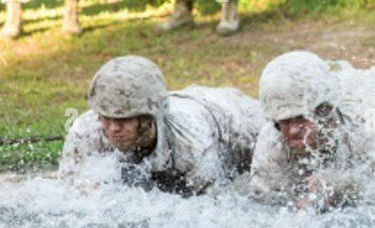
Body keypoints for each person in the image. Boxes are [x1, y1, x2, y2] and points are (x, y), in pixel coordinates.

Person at [60, 55, 263, 196]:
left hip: (237, 121)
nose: (113, 128)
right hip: (189, 108)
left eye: (123, 120)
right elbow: (67, 192)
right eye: (106, 118)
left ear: (148, 119)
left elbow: (215, 209)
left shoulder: (193, 145)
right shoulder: (85, 131)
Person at [249, 51, 368, 209]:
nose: (292, 131)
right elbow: (264, 205)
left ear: (325, 112)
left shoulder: (362, 127)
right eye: (285, 122)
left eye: (301, 118)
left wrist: (337, 183)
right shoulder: (271, 143)